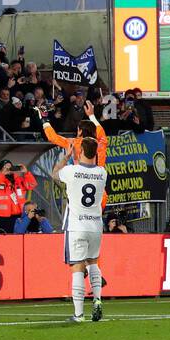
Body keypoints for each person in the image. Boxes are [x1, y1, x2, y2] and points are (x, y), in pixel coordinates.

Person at [52, 137, 108, 322]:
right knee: (94, 263)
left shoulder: (71, 170)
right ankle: (98, 299)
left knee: (77, 267)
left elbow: (54, 174)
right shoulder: (102, 173)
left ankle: (78, 314)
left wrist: (66, 156)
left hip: (77, 226)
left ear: (80, 152)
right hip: (95, 225)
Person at [0, 159, 36, 234]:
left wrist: (26, 173)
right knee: (5, 239)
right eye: (5, 168)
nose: (8, 170)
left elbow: (32, 185)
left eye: (10, 167)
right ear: (1, 170)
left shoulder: (19, 180)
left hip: (19, 215)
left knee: (18, 238)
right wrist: (2, 174)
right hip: (2, 217)